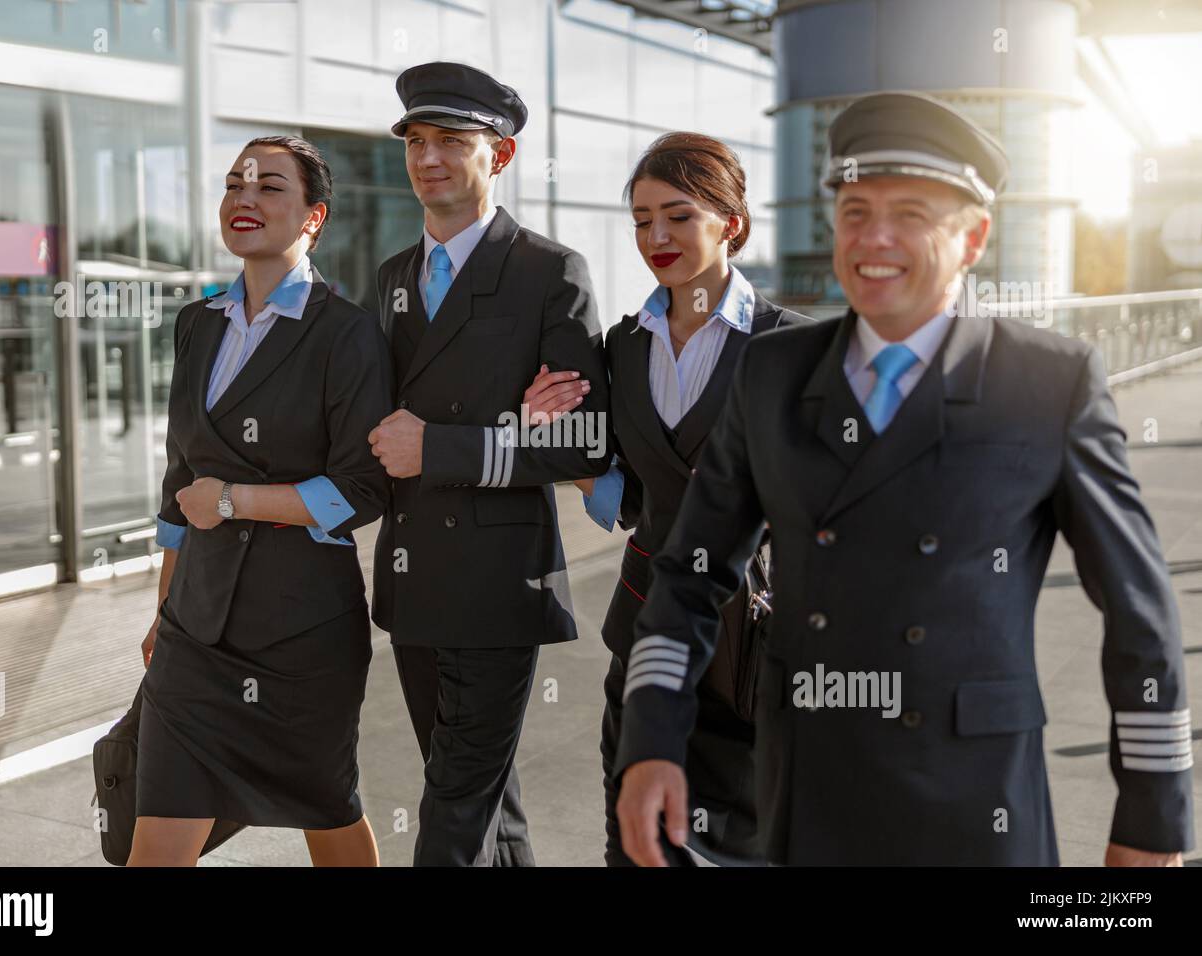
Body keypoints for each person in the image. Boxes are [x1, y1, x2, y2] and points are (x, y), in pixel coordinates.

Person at [615, 92, 1195, 866]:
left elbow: (1139, 610)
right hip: (810, 789)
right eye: (854, 211)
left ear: (974, 237)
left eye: (912, 213)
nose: (874, 238)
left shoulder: (1047, 381)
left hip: (974, 799)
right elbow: (689, 576)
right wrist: (651, 736)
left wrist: (1151, 820)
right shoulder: (772, 373)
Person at [524, 132, 809, 865]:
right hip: (646, 633)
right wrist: (549, 426)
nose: (657, 236)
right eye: (644, 219)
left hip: (755, 643)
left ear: (731, 225)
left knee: (746, 844)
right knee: (638, 843)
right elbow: (625, 496)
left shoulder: (792, 349)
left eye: (679, 216)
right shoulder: (622, 346)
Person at [369, 61, 611, 866]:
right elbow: (372, 421)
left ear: (499, 156)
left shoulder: (549, 272)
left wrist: (438, 447)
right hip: (413, 580)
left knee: (453, 814)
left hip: (497, 580)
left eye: (452, 142)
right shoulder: (393, 278)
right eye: (416, 141)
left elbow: (582, 442)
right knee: (480, 799)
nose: (428, 158)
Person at [129, 135, 393, 867]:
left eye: (270, 187)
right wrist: (164, 609)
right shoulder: (198, 324)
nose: (245, 198)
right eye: (234, 184)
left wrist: (239, 500)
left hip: (300, 635)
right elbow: (181, 482)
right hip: (195, 635)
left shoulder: (347, 333)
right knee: (156, 844)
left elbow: (361, 490)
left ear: (315, 216)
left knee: (329, 814)